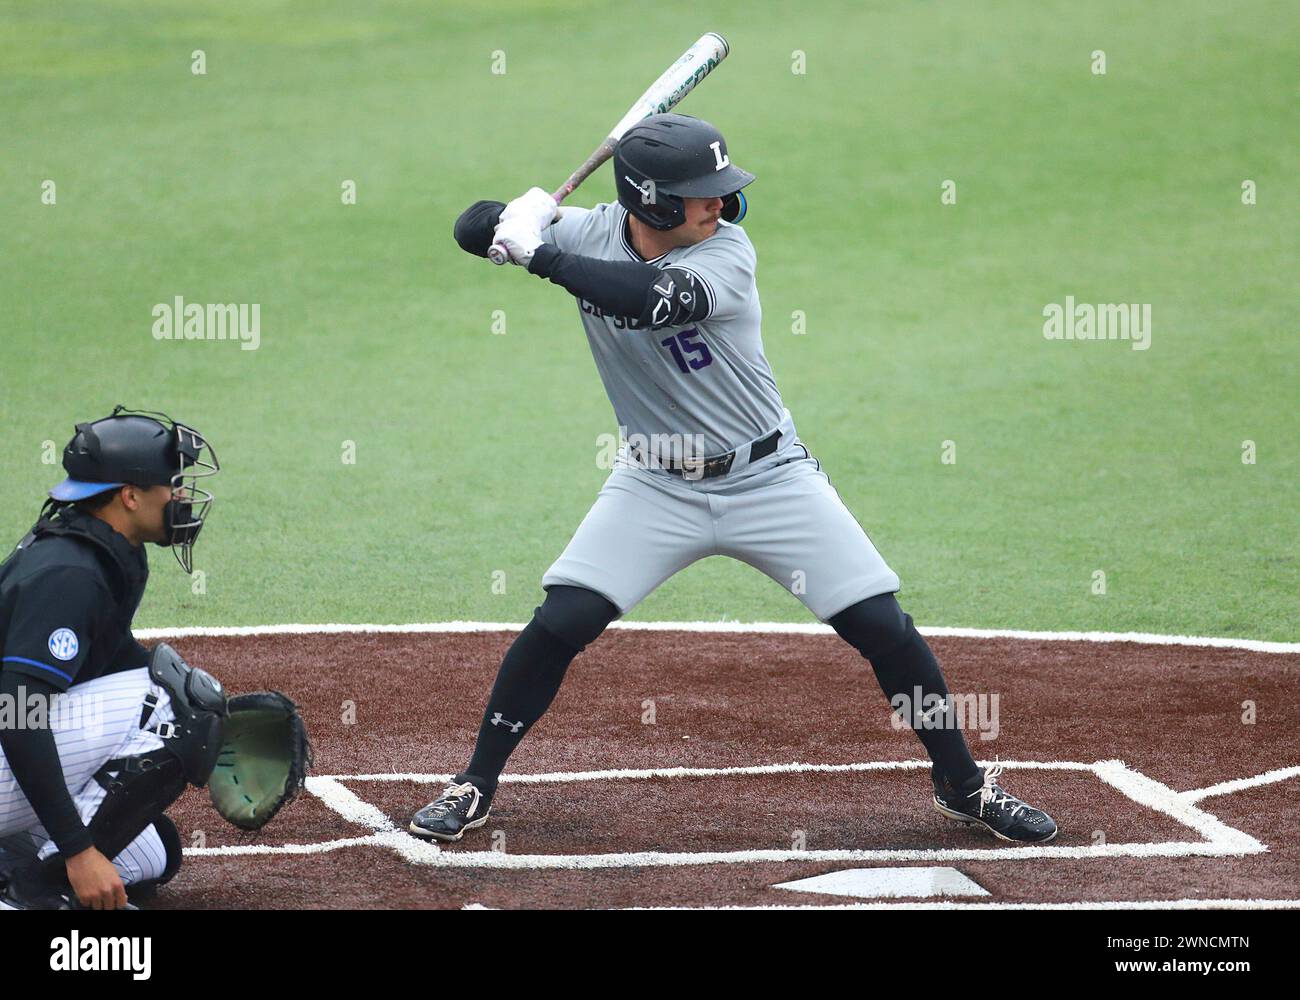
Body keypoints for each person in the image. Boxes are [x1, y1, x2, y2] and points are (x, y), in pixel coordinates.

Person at [411, 113, 1056, 846]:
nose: (719, 203)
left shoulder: (727, 254)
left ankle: (963, 786)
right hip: (655, 483)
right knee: (560, 622)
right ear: (651, 201)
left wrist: (538, 254)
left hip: (769, 477)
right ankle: (474, 782)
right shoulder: (581, 233)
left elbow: (648, 300)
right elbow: (469, 228)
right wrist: (512, 216)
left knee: (883, 627)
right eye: (701, 193)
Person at [0, 406, 226, 908]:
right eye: (172, 484)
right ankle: (34, 895)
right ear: (130, 496)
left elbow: (114, 658)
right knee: (174, 702)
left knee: (151, 851)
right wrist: (79, 853)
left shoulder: (105, 547)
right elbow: (17, 712)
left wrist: (231, 725)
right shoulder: (70, 575)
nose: (182, 496)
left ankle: (13, 865)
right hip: (7, 737)